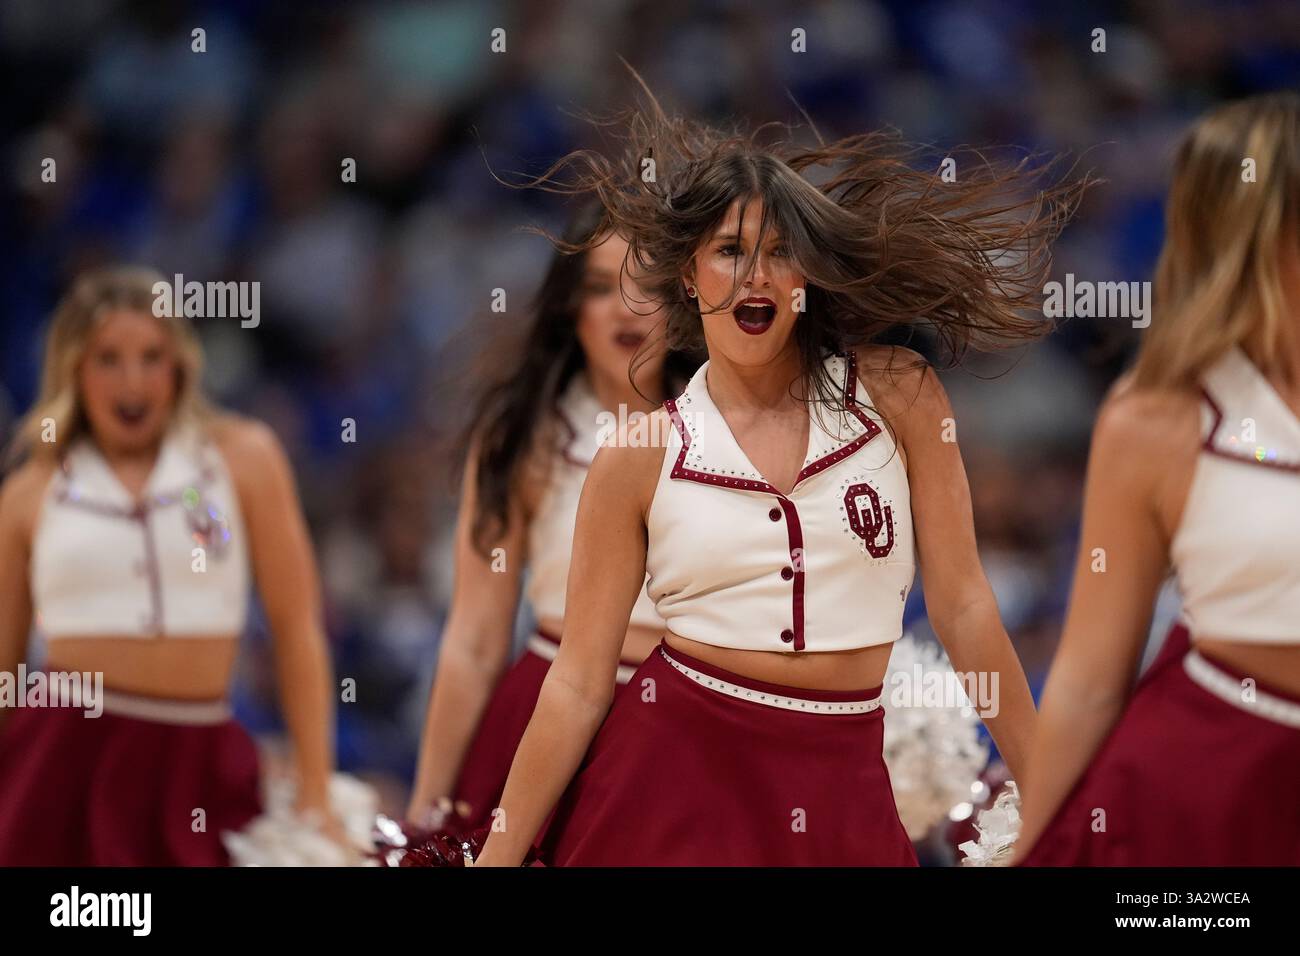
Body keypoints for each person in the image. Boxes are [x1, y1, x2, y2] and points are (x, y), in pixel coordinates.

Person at [472, 85, 1089, 866]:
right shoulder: (640, 452)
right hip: (671, 786)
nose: (755, 276)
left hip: (843, 792)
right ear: (689, 279)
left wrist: (1050, 790)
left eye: (779, 251)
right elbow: (579, 683)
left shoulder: (897, 395)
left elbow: (964, 605)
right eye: (729, 250)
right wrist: (496, 858)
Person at [1015, 91, 1300, 866]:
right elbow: (1088, 680)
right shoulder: (1157, 418)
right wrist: (1028, 847)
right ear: (1257, 239)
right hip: (1206, 799)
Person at [0, 266, 340, 865]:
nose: (132, 380)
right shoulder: (33, 490)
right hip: (59, 758)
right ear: (74, 370)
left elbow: (297, 630)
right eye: (107, 358)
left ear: (179, 365)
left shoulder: (241, 458)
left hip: (199, 758)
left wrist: (316, 792)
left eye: (151, 356)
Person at [405, 199, 698, 836]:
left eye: (648, 286)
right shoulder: (526, 436)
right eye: (600, 287)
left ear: (685, 302)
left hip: (689, 722)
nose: (625, 306)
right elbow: (476, 640)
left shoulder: (731, 432)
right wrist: (426, 805)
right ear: (570, 308)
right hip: (544, 709)